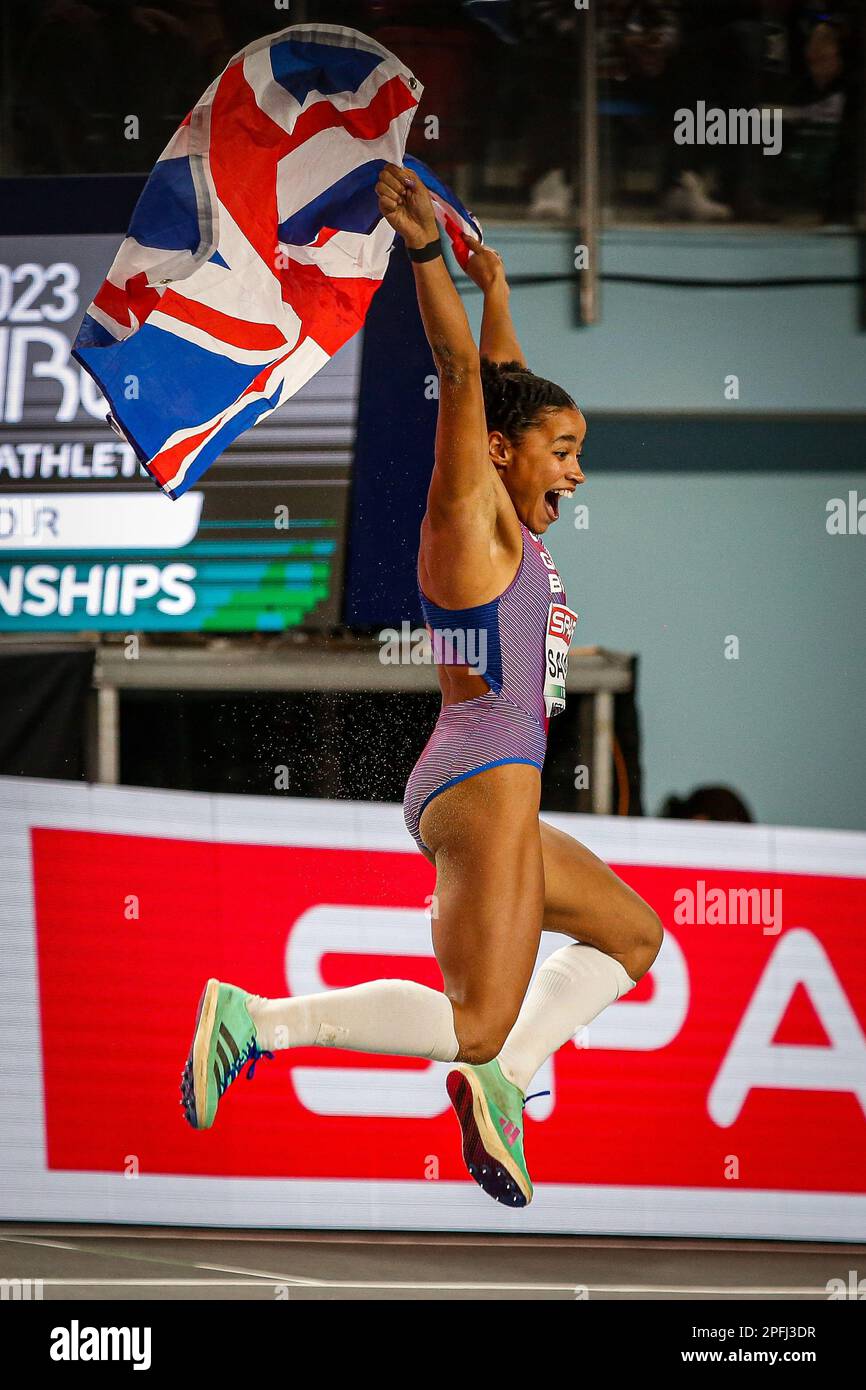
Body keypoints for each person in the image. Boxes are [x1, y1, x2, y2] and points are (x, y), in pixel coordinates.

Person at [181, 165, 663, 1208]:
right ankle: (255, 1020)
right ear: (500, 455)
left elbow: (498, 384)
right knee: (469, 1018)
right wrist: (425, 253)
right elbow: (460, 375)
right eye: (565, 452)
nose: (576, 474)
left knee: (630, 935)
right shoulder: (470, 512)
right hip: (482, 771)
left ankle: (504, 1079)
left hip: (498, 773)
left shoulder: (505, 495)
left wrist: (494, 286)